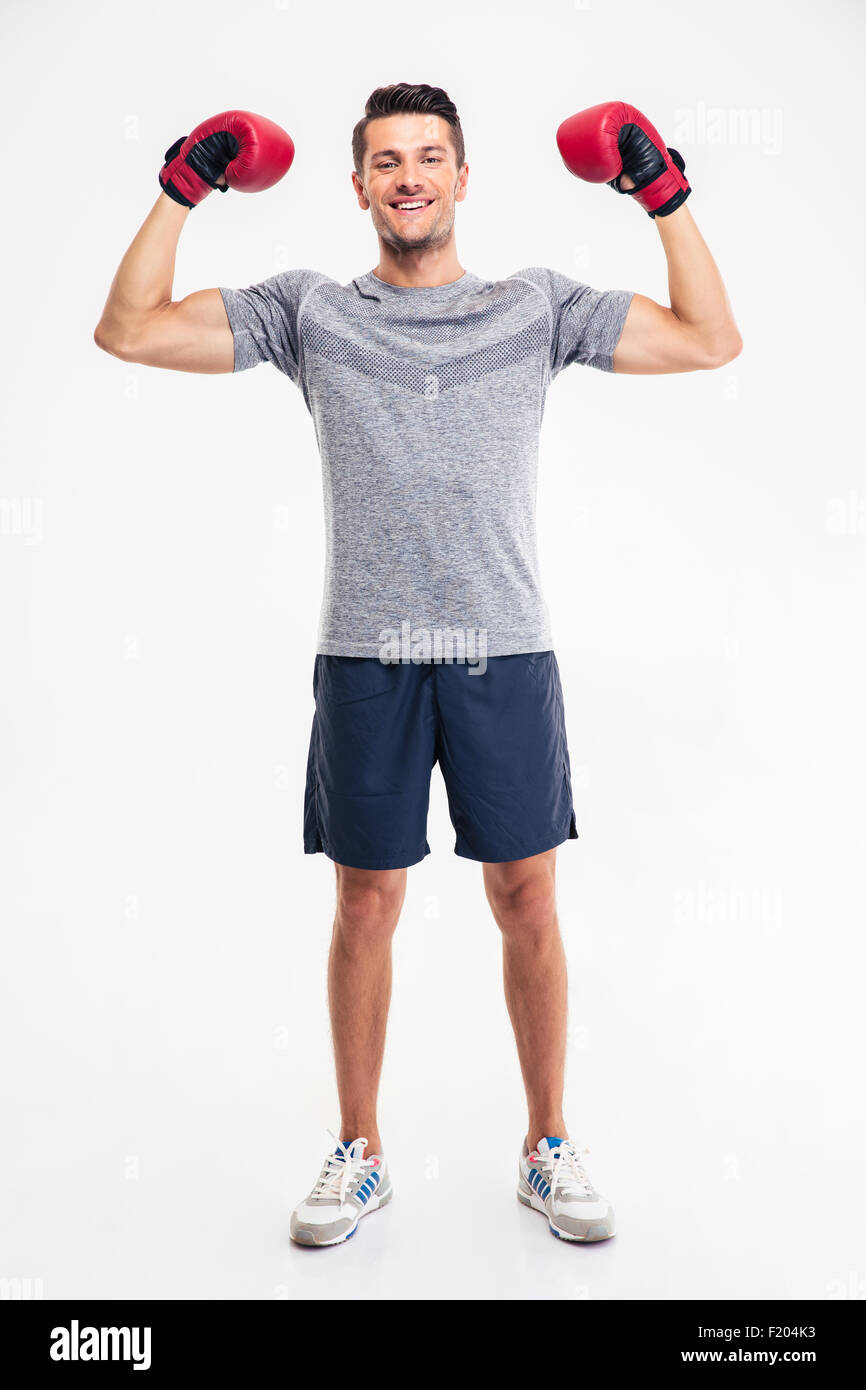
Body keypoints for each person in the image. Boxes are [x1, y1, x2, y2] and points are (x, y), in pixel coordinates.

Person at [94, 83, 742, 1248]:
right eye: (385, 160)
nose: (407, 176)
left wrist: (662, 189)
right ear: (357, 187)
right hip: (365, 655)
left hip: (505, 649)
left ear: (459, 179)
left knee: (527, 897)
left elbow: (709, 337)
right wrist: (181, 183)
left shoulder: (532, 306)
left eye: (429, 157)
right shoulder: (309, 313)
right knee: (362, 903)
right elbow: (128, 328)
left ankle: (545, 1142)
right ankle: (360, 1150)